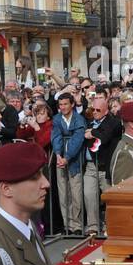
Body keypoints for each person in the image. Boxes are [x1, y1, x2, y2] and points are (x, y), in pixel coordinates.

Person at [81, 96, 121, 236]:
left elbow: (106, 136)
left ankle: (110, 225)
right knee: (89, 195)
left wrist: (92, 133)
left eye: (98, 110)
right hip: (91, 166)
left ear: (105, 111)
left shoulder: (114, 122)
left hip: (106, 167)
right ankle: (92, 225)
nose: (95, 112)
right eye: (93, 109)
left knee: (109, 198)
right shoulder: (89, 121)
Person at [50, 93, 87, 235]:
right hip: (60, 159)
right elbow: (56, 136)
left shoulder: (79, 119)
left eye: (66, 104)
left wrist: (68, 157)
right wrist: (58, 155)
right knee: (63, 193)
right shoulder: (57, 119)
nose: (63, 107)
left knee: (76, 193)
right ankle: (67, 225)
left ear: (72, 104)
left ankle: (77, 225)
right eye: (61, 105)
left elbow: (77, 140)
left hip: (75, 160)